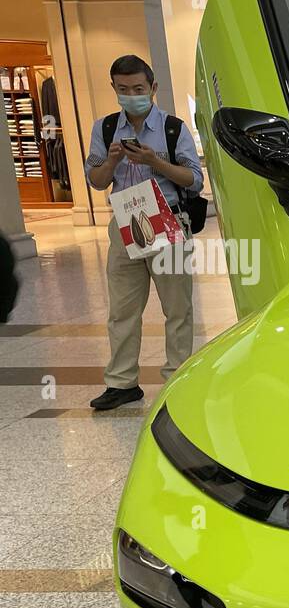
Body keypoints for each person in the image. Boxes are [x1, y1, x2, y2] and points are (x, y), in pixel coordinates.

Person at [85, 54, 203, 411]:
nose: (131, 95)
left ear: (152, 88)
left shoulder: (173, 128)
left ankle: (176, 377)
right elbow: (96, 180)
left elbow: (194, 181)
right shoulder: (105, 129)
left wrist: (154, 161)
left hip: (165, 219)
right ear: (114, 89)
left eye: (138, 88)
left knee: (177, 308)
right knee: (122, 309)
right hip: (125, 223)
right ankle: (122, 383)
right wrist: (113, 161)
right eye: (123, 89)